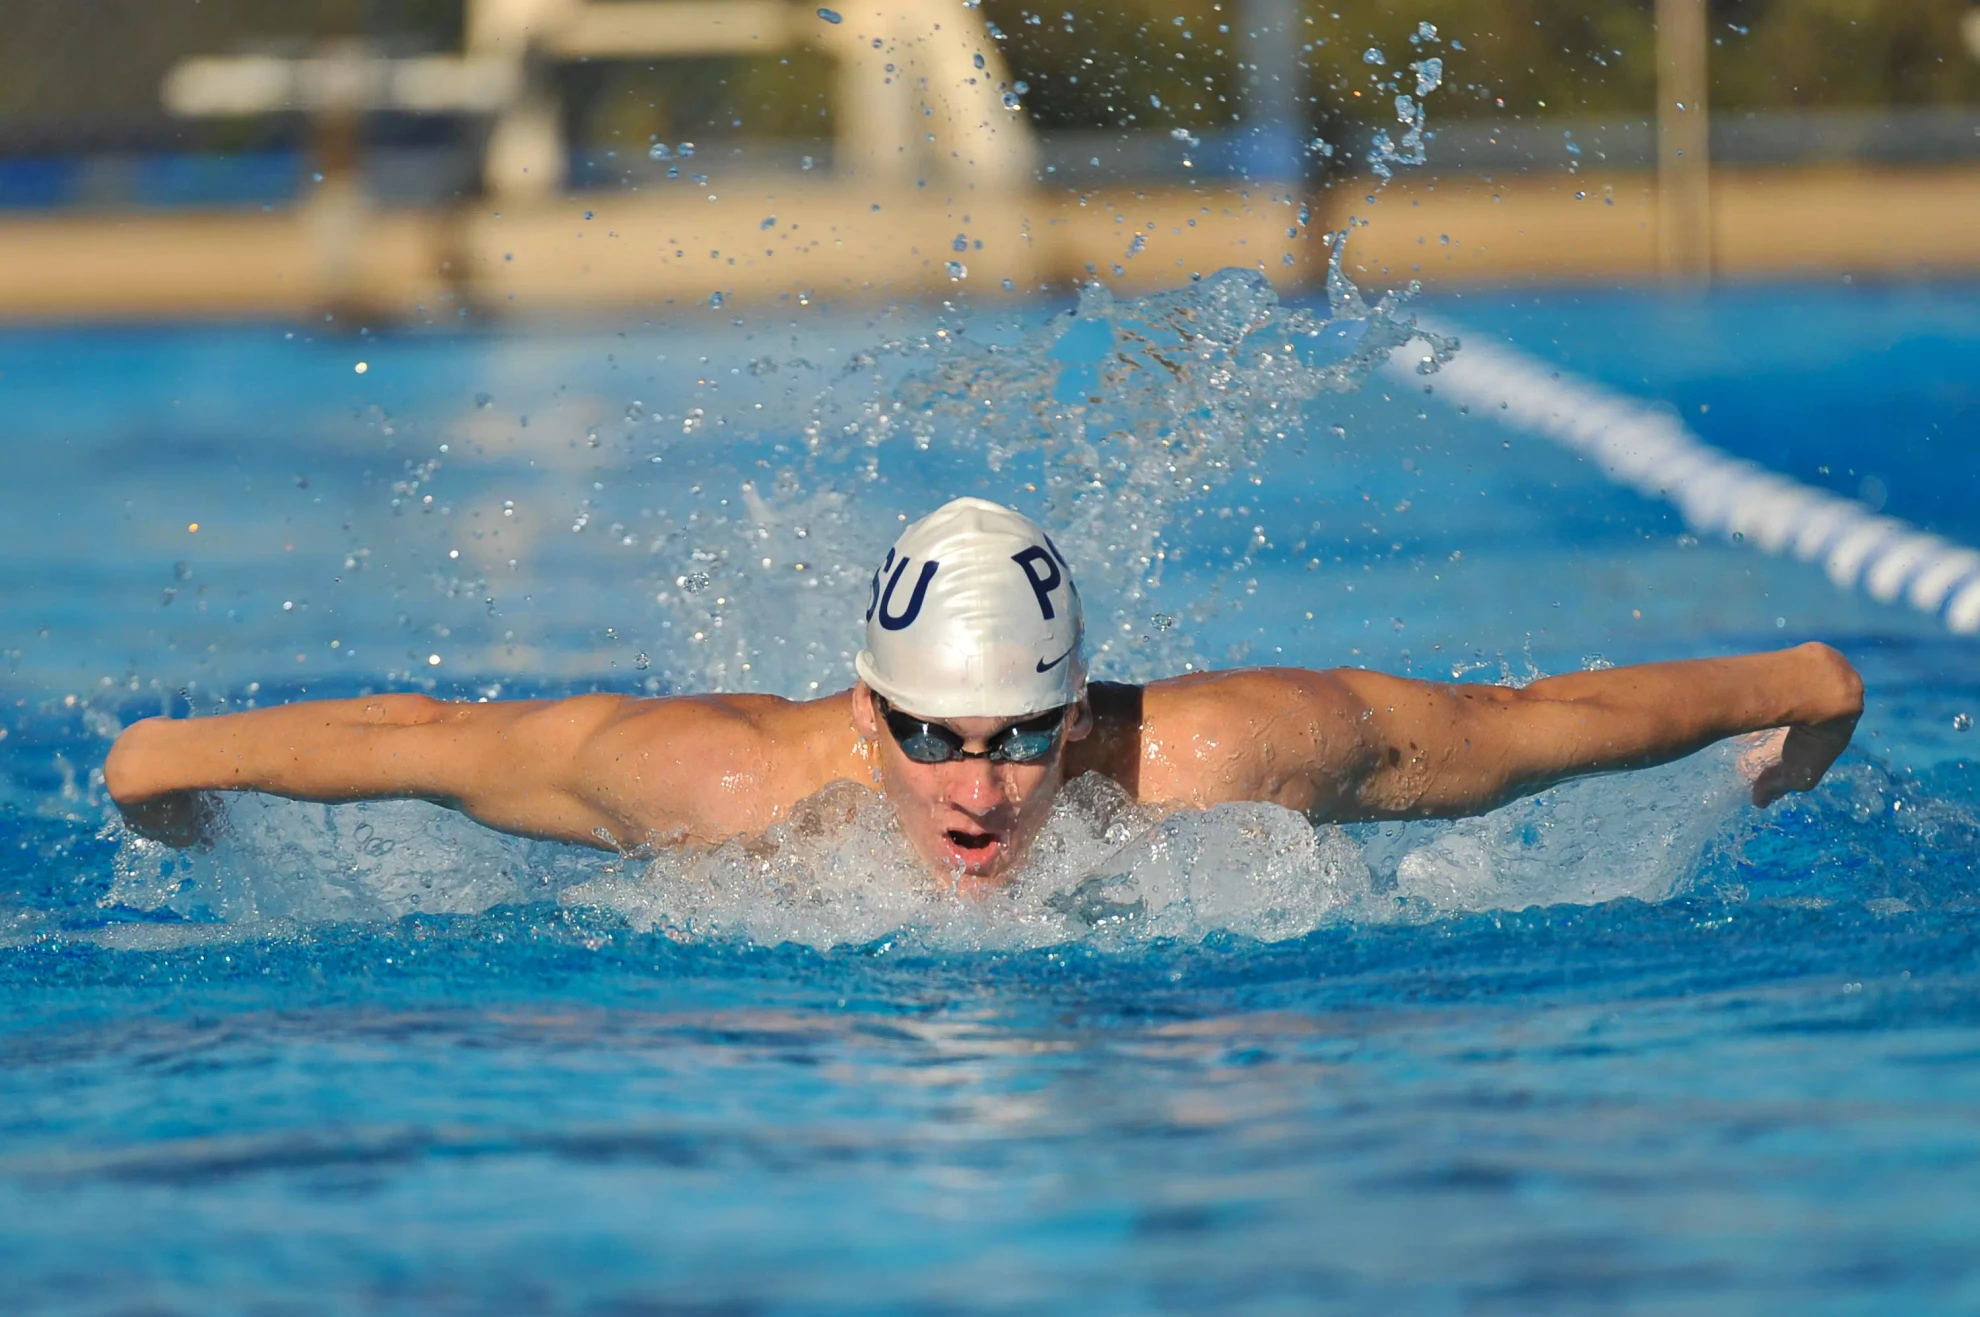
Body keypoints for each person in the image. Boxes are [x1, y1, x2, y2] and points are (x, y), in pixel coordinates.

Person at [106, 497, 1864, 889]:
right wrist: (165, 767)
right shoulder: (717, 783)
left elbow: (1521, 725)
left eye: (1027, 736)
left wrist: (1798, 686)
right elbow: (428, 747)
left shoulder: (1219, 759)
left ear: (1080, 707)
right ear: (861, 713)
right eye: (936, 741)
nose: (981, 790)